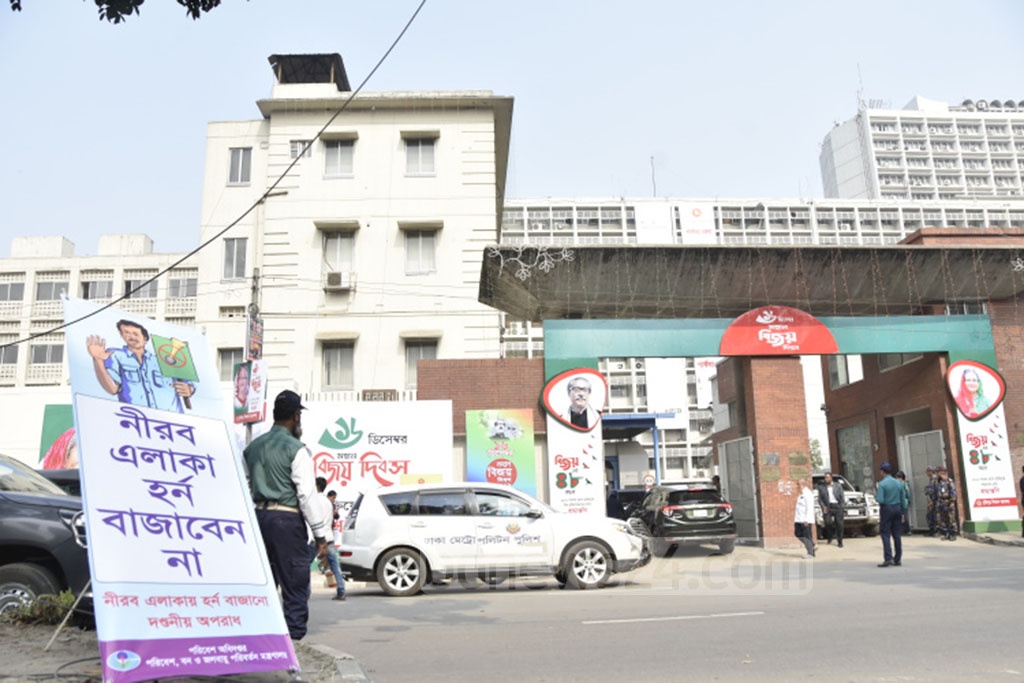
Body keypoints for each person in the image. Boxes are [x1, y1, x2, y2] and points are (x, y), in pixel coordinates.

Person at [244, 390, 328, 641]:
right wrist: (321, 536)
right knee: (295, 584)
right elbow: (306, 495)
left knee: (264, 586)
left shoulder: (252, 448)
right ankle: (294, 647)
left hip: (258, 519)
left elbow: (248, 486)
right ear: (295, 416)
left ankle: (262, 643)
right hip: (287, 521)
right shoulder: (296, 449)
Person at [86, 319, 195, 413]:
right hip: (137, 423)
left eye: (135, 333)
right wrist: (98, 360)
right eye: (126, 333)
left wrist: (190, 389)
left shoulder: (164, 359)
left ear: (145, 338)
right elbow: (112, 389)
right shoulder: (115, 355)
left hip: (170, 424)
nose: (131, 337)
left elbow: (187, 383)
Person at [312, 477, 346, 601]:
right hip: (329, 536)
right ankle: (341, 591)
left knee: (305, 565)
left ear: (316, 486)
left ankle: (305, 592)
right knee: (334, 565)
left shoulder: (315, 501)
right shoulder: (328, 502)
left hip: (317, 538)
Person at [874, 462, 908, 567]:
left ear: (882, 472)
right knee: (897, 534)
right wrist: (903, 511)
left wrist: (875, 494)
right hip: (897, 507)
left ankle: (888, 558)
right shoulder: (898, 483)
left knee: (885, 534)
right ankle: (898, 558)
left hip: (887, 508)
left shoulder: (882, 484)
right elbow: (903, 499)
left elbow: (880, 499)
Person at [817, 472, 845, 547]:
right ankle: (830, 536)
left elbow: (842, 496)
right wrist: (823, 507)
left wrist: (842, 506)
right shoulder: (821, 487)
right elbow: (820, 499)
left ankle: (840, 541)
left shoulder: (838, 486)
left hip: (837, 506)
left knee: (839, 524)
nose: (826, 479)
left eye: (828, 477)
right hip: (827, 506)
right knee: (827, 522)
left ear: (831, 478)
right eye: (825, 477)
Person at [793, 478, 816, 558]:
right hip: (799, 518)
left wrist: (807, 519)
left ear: (802, 485)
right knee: (797, 533)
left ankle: (810, 553)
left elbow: (809, 507)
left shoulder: (808, 494)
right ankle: (812, 545)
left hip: (805, 519)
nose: (797, 487)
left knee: (807, 535)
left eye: (798, 485)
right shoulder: (801, 494)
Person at [935, 465, 958, 541]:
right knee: (942, 519)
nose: (937, 474)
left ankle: (952, 533)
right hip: (941, 502)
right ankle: (945, 533)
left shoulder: (949, 481)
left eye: (938, 472)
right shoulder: (939, 482)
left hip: (948, 501)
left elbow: (953, 492)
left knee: (951, 518)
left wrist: (952, 502)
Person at [895, 470, 912, 535]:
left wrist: (908, 500)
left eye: (898, 477)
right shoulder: (898, 484)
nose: (897, 479)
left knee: (904, 516)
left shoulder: (904, 484)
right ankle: (902, 530)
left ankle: (907, 530)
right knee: (900, 517)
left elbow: (908, 493)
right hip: (899, 502)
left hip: (904, 502)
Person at [924, 466, 938, 536]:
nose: (926, 473)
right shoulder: (931, 479)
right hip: (931, 500)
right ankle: (932, 530)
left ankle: (935, 530)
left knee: (933, 516)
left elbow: (934, 491)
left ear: (931, 471)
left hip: (934, 501)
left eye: (927, 471)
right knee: (929, 516)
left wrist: (932, 500)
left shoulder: (935, 479)